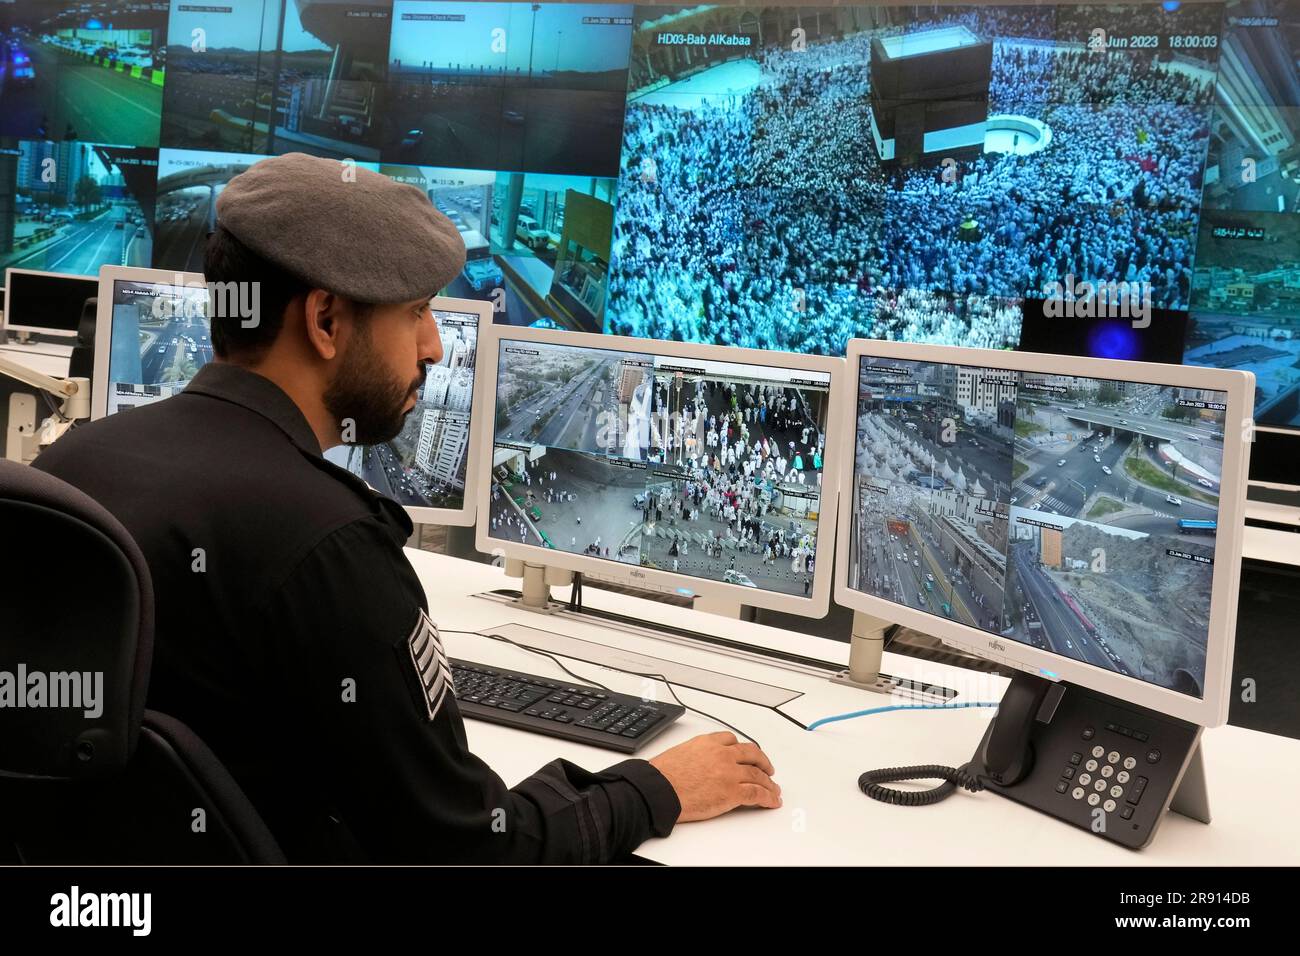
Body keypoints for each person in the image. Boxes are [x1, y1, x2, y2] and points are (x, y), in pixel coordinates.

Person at [33, 153, 780, 864]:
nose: (434, 346)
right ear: (325, 321)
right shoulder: (329, 544)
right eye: (417, 312)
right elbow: (475, 850)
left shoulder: (72, 466)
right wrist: (651, 790)